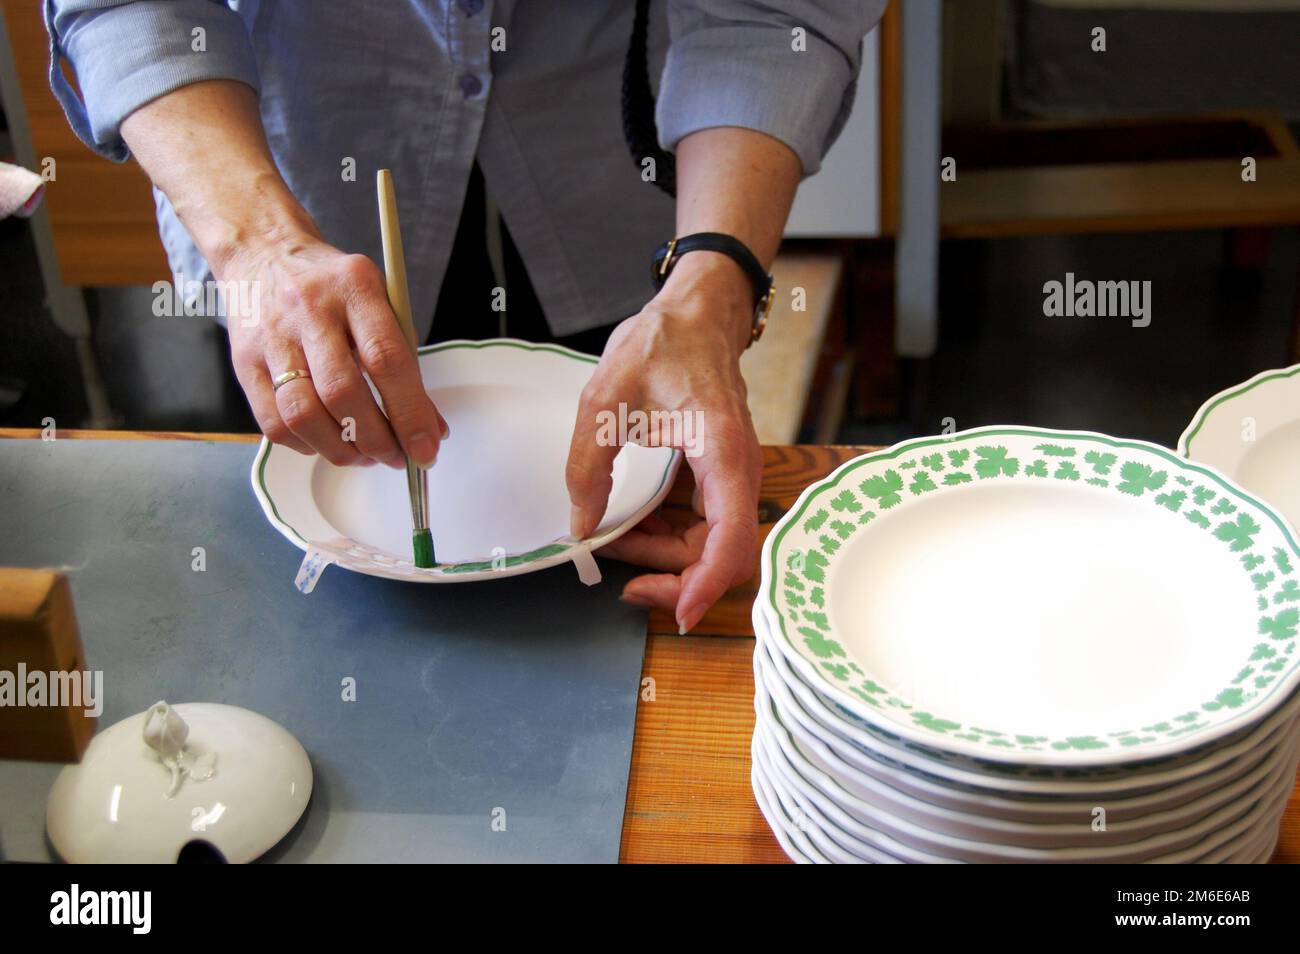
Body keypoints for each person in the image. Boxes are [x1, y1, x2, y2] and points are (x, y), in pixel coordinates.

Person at [45, 0, 884, 631]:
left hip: (603, 159)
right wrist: (256, 243)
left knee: (619, 527)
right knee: (319, 473)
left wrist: (712, 282)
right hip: (284, 161)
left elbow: (774, 11)